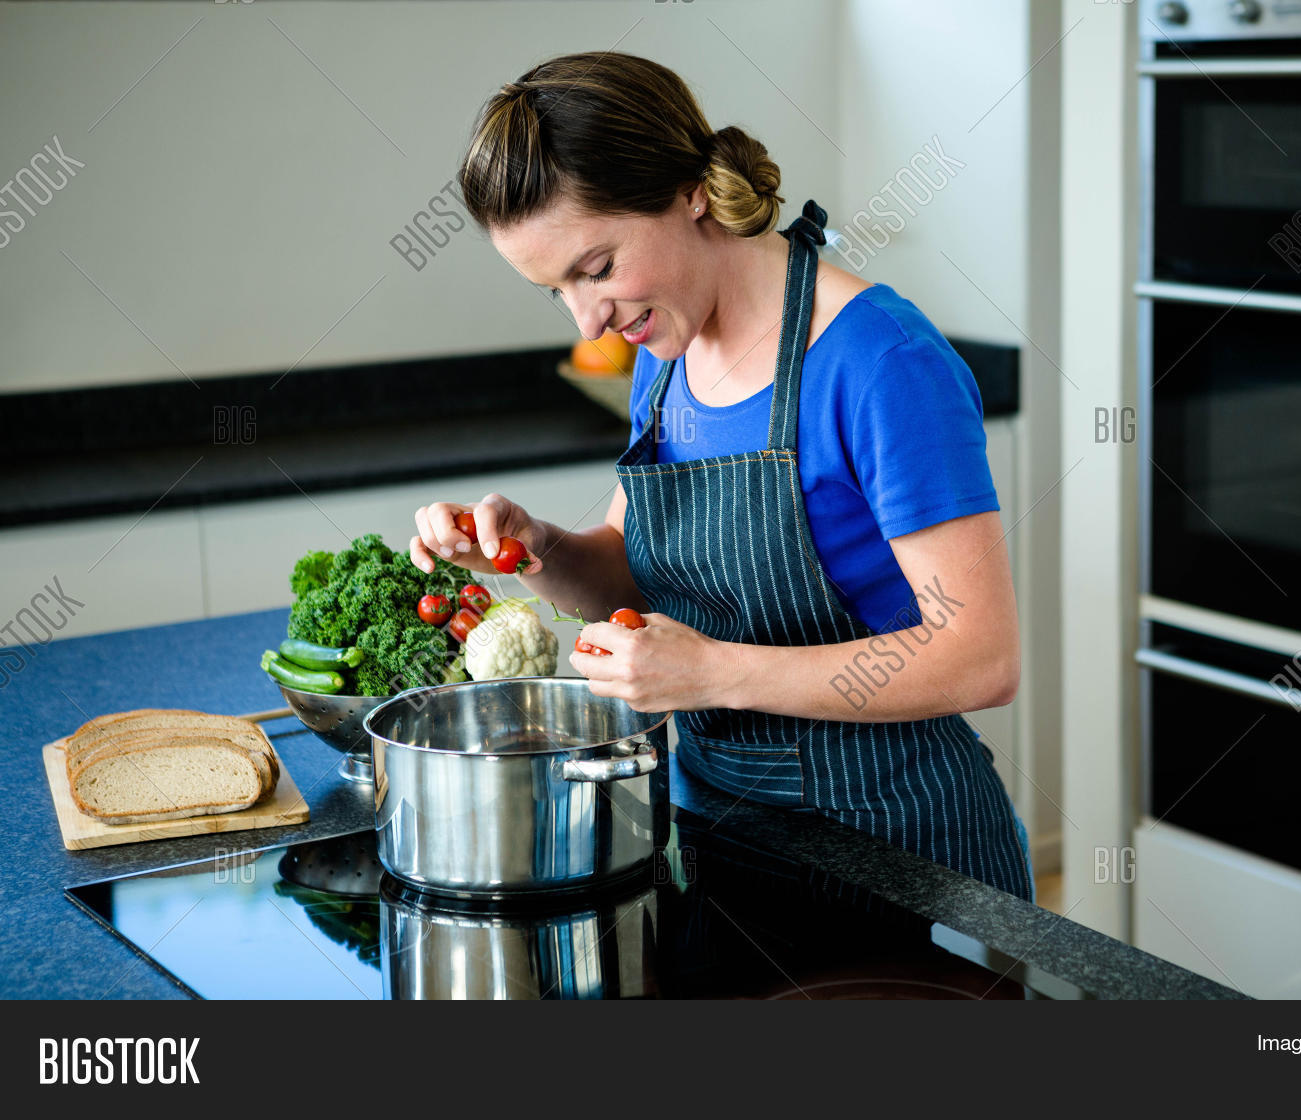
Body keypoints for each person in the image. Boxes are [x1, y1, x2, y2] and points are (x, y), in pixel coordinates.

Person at [411, 51, 1033, 899]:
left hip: (899, 855)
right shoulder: (664, 356)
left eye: (597, 268)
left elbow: (980, 656)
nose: (588, 317)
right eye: (555, 289)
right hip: (721, 841)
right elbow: (635, 572)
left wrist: (716, 673)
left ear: (689, 192)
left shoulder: (879, 361)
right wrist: (538, 549)